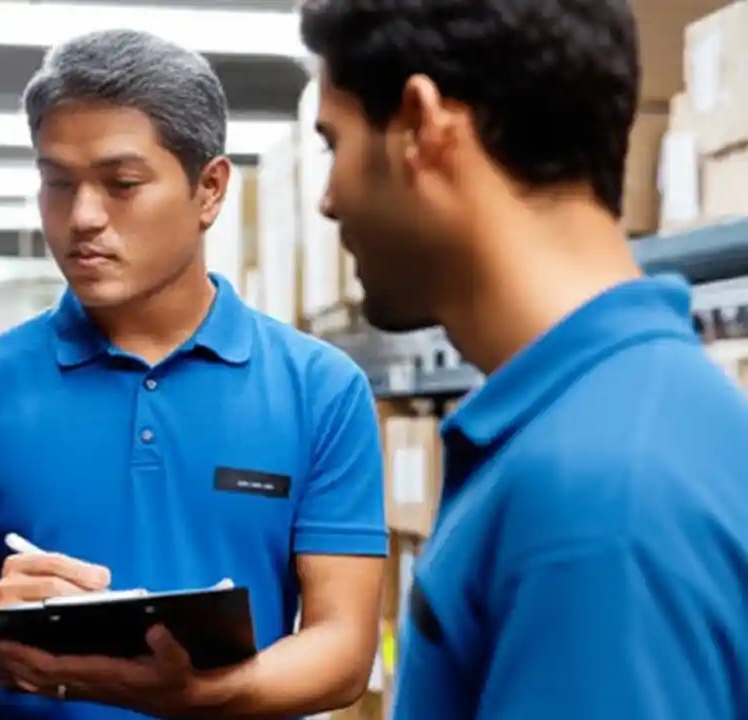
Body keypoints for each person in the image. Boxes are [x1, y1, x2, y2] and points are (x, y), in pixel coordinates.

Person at [0, 28, 388, 719]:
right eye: (57, 183)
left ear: (208, 190)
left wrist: (198, 696)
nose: (82, 218)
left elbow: (344, 650)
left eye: (121, 184)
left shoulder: (322, 392)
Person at [299, 0, 748, 717]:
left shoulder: (596, 500)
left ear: (420, 125)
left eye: (334, 143)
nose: (328, 199)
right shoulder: (641, 413)